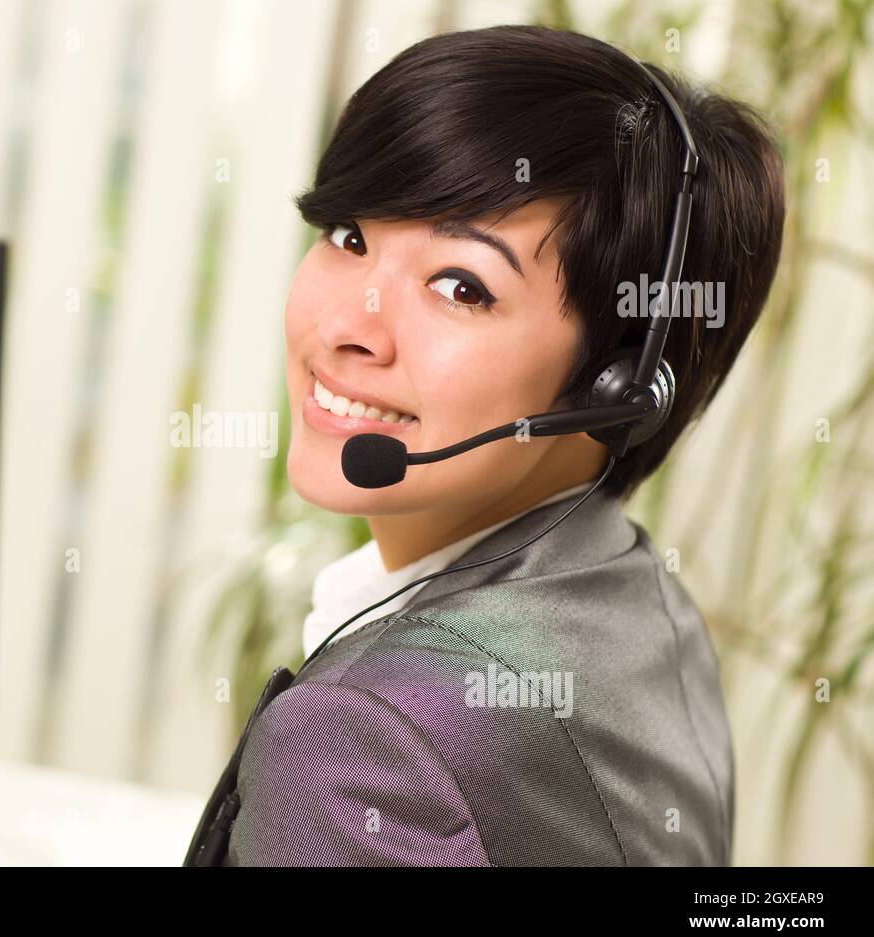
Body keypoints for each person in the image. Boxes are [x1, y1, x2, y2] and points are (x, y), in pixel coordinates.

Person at [192, 24, 785, 866]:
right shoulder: (639, 604)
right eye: (349, 237)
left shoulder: (357, 749)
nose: (346, 330)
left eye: (460, 286)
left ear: (615, 387)